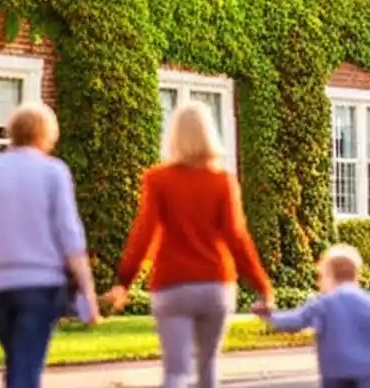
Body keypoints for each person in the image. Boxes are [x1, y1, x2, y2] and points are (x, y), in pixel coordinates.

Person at [105, 101, 274, 388]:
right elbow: (236, 236)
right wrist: (261, 286)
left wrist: (125, 281)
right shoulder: (222, 181)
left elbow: (144, 234)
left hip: (172, 284)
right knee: (208, 370)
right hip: (215, 284)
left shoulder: (158, 180)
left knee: (176, 372)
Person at [0, 101, 100, 388]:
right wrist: (88, 292)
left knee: (18, 362)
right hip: (39, 284)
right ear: (47, 135)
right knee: (26, 367)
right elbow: (70, 236)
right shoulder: (53, 172)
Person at [255, 245, 370, 388]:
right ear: (356, 275)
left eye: (321, 276)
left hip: (334, 371)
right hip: (364, 370)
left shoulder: (323, 304)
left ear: (330, 276)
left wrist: (269, 317)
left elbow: (296, 321)